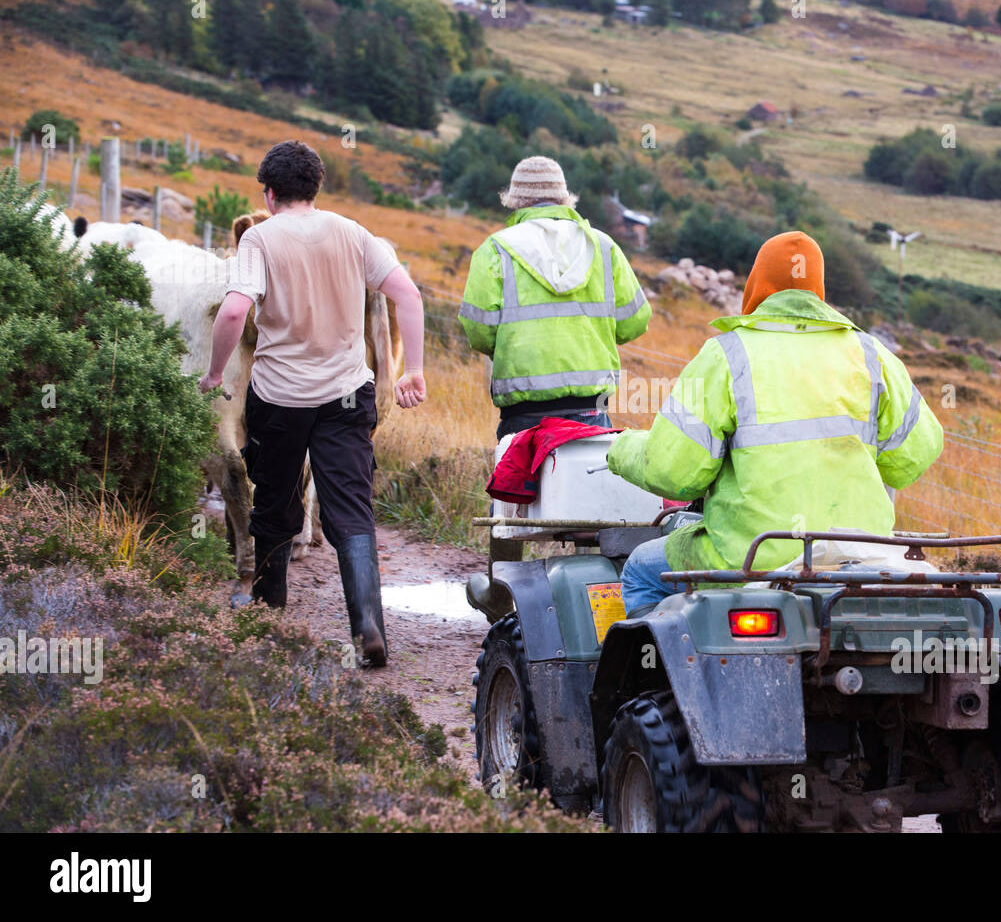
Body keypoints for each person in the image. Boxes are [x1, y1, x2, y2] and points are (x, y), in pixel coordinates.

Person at [608, 231, 944, 617]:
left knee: (640, 569)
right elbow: (915, 456)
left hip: (750, 557)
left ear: (756, 285)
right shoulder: (871, 354)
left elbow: (673, 473)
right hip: (860, 555)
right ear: (819, 289)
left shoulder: (727, 354)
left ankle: (655, 671)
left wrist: (622, 450)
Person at [200, 140, 427, 668]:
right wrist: (412, 370)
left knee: (275, 504)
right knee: (351, 508)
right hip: (347, 394)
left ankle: (267, 618)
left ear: (270, 192)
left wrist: (215, 372)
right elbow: (408, 295)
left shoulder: (258, 239)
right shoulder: (353, 233)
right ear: (316, 189)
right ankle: (367, 626)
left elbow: (234, 313)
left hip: (280, 399)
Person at [458, 156, 651, 440]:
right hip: (590, 409)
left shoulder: (495, 249)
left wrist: (508, 345)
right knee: (585, 483)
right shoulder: (604, 246)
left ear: (515, 200)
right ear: (564, 198)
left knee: (525, 484)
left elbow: (478, 331)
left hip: (523, 411)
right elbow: (635, 321)